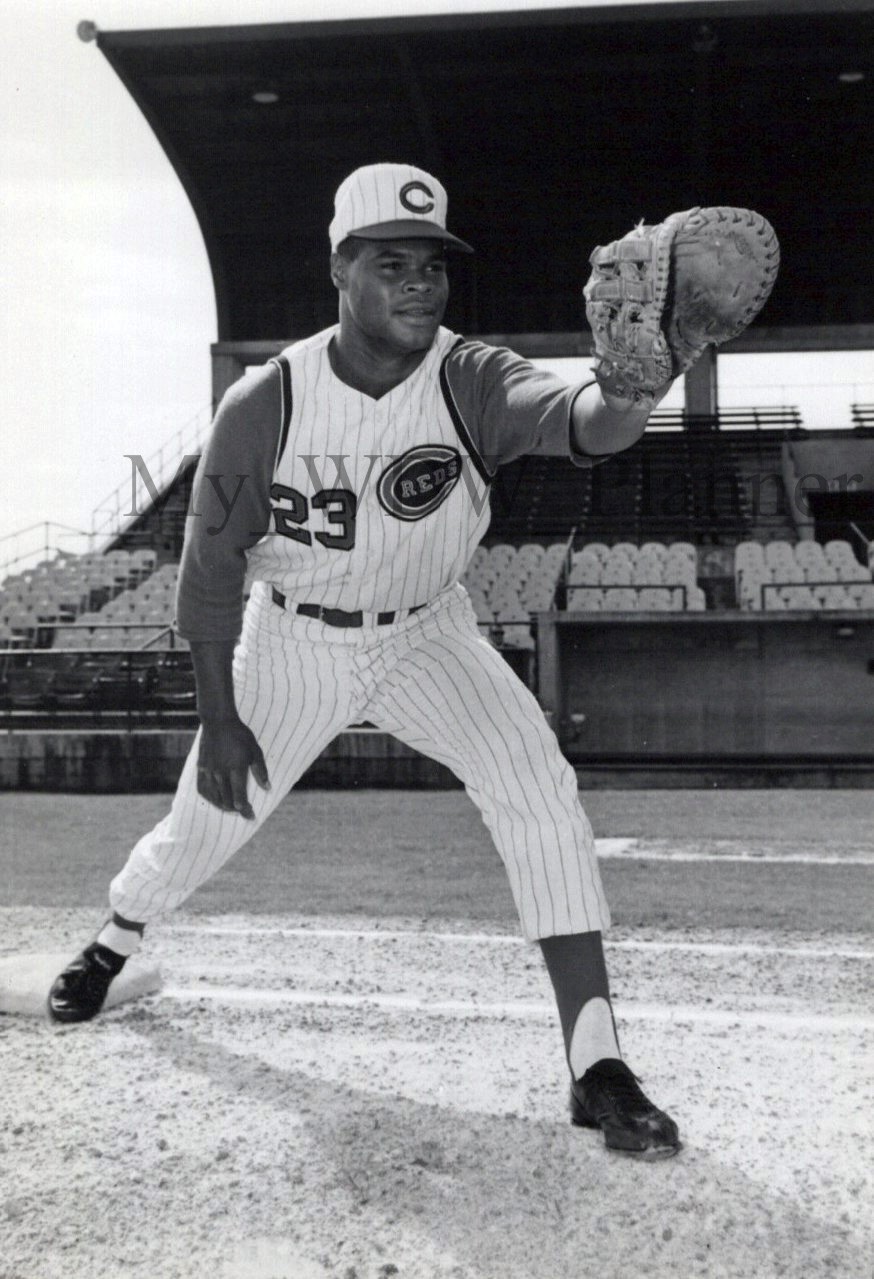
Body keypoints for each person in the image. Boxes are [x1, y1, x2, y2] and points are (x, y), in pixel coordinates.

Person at [49, 162, 680, 1159]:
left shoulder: (472, 374)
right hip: (292, 638)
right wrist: (218, 717)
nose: (421, 284)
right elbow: (208, 566)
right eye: (393, 263)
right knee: (206, 824)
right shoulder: (267, 402)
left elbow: (583, 426)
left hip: (429, 630)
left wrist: (635, 387)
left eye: (433, 264)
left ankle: (595, 1060)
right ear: (341, 269)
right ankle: (116, 938)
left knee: (536, 785)